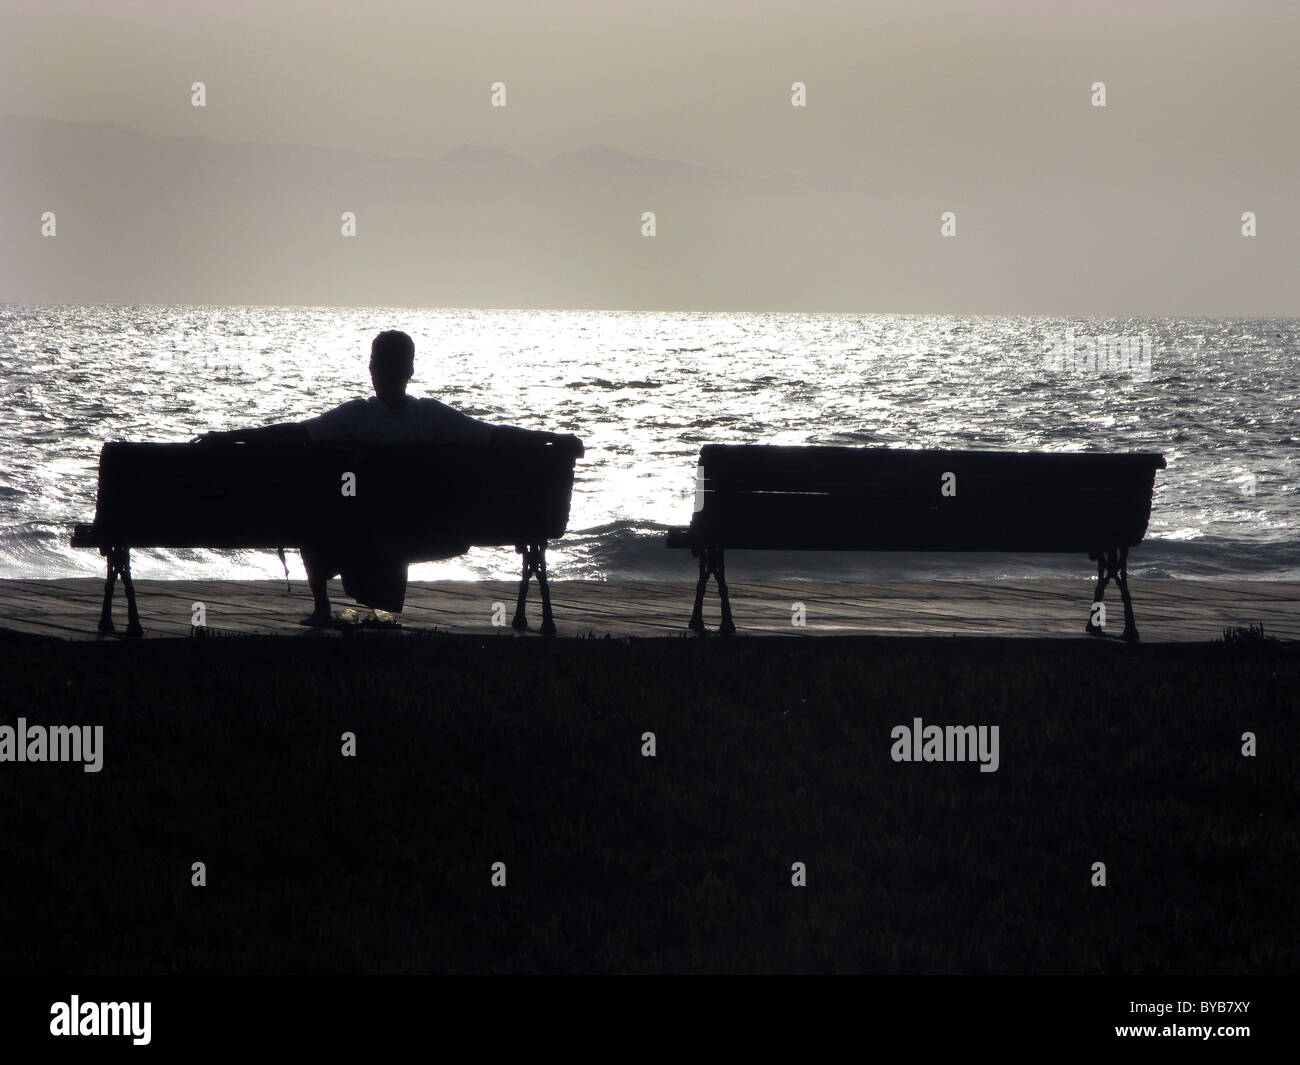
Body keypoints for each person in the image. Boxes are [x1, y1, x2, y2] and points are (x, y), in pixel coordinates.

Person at [197, 329, 582, 626]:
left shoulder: (356, 416)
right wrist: (554, 439)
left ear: (373, 369)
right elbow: (495, 435)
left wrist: (228, 439)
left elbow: (294, 434)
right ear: (410, 371)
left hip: (362, 534)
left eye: (374, 363)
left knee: (313, 511)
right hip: (432, 531)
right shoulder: (433, 417)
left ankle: (323, 607)